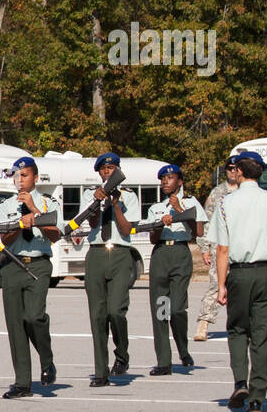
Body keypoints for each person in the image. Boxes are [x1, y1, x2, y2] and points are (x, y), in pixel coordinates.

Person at [212, 150, 267, 412]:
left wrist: (221, 285)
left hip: (240, 272)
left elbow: (222, 249)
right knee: (263, 335)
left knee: (237, 329)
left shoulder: (226, 203)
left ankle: (240, 383)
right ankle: (257, 398)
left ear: (240, 172)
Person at [0, 156, 61, 398]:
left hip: (38, 265)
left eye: (24, 175)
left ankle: (46, 358)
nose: (19, 180)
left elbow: (55, 236)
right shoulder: (6, 205)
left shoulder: (48, 202)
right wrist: (18, 225)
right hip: (12, 265)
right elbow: (5, 239)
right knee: (16, 325)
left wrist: (34, 210)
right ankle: (22, 382)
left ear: (35, 177)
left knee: (34, 316)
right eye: (16, 176)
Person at [78, 152, 140, 387]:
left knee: (116, 311)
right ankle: (101, 371)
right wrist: (96, 203)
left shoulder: (129, 196)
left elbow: (126, 229)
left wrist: (114, 202)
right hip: (96, 252)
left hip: (120, 253)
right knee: (97, 315)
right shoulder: (89, 194)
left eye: (112, 168)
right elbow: (92, 224)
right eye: (104, 169)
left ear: (118, 170)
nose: (107, 172)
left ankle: (122, 353)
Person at [145, 164, 207, 375]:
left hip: (181, 253)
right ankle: (164, 360)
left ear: (179, 181)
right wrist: (159, 226)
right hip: (161, 254)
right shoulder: (156, 207)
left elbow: (197, 231)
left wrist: (180, 210)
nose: (165, 182)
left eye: (169, 178)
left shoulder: (190, 202)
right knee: (161, 310)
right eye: (162, 179)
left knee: (178, 309)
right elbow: (153, 238)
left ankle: (183, 349)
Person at [195, 160, 241, 341]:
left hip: (240, 245)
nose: (232, 172)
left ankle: (240, 325)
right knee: (216, 285)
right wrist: (204, 248)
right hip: (219, 245)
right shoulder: (217, 193)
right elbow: (206, 220)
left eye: (235, 169)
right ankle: (204, 323)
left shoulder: (246, 192)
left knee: (239, 286)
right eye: (229, 169)